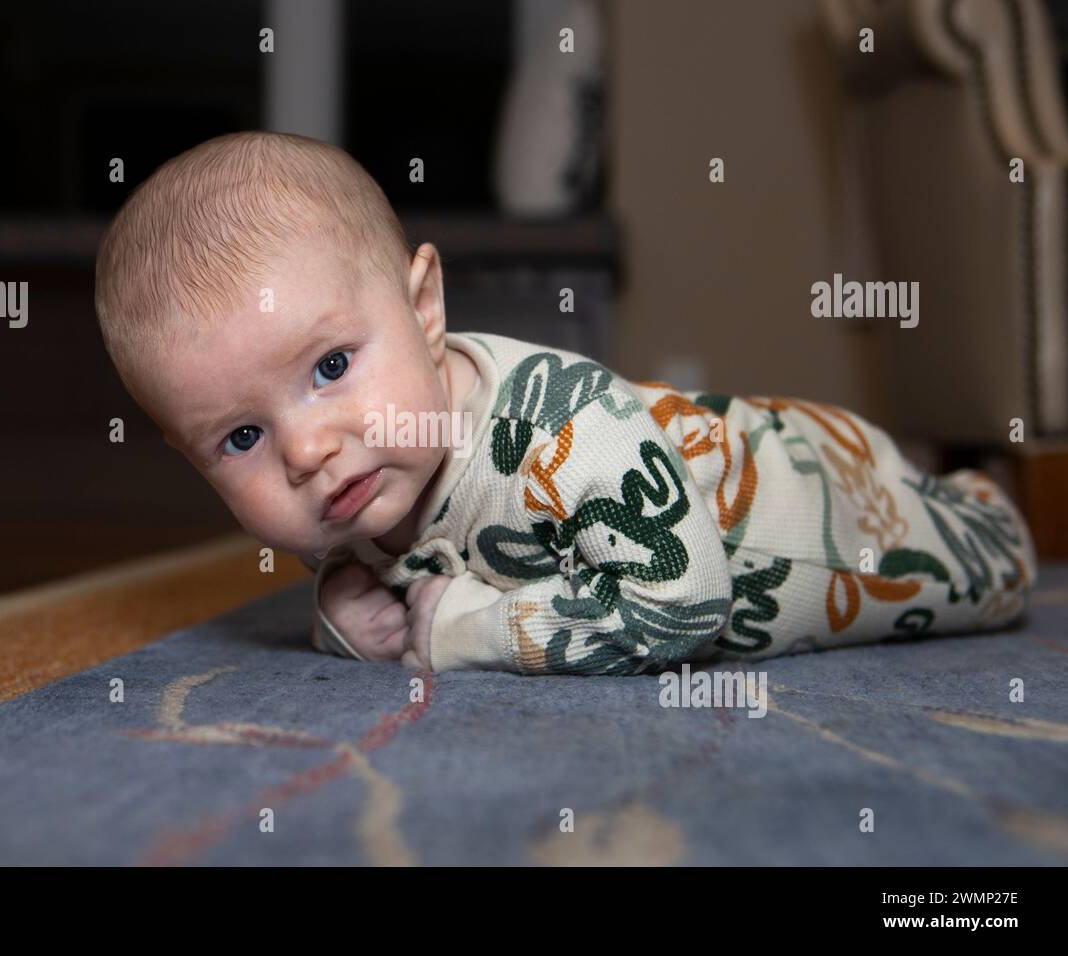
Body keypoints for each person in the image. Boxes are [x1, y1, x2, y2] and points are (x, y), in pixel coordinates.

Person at [91, 131, 1037, 675]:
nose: (304, 450)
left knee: (989, 574)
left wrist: (464, 629)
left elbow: (683, 602)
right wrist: (348, 616)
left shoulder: (559, 429)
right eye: (242, 437)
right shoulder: (363, 476)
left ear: (425, 311)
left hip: (803, 494)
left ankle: (976, 492)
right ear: (193, 459)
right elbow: (406, 578)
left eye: (330, 367)